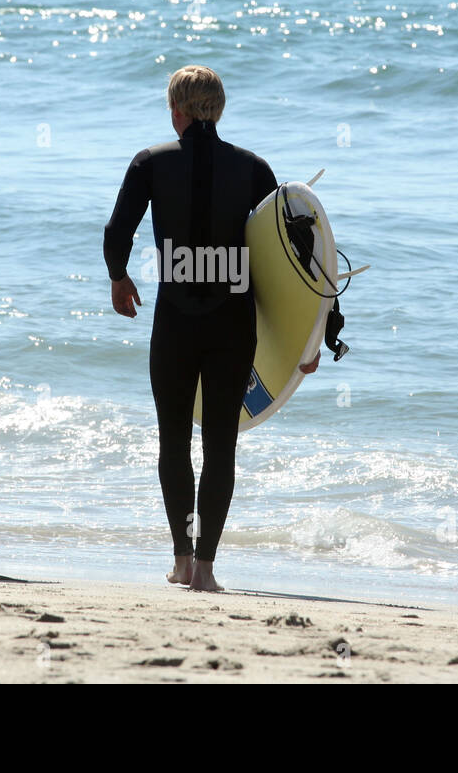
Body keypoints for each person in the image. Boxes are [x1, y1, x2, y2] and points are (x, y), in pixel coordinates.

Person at [103, 65, 319, 592]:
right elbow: (295, 257)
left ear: (177, 110)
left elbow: (117, 231)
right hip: (231, 326)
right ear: (217, 110)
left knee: (174, 441)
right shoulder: (252, 169)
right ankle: (205, 569)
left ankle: (181, 558)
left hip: (175, 322)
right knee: (221, 444)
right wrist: (309, 332)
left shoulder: (150, 163)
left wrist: (119, 278)